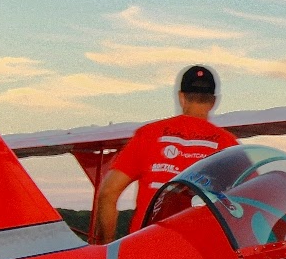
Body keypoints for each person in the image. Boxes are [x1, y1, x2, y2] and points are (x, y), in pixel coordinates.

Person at [91, 64, 238, 244]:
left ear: (181, 97)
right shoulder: (228, 144)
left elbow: (108, 192)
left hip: (146, 246)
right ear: (213, 102)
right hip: (200, 251)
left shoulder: (148, 134)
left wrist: (107, 246)